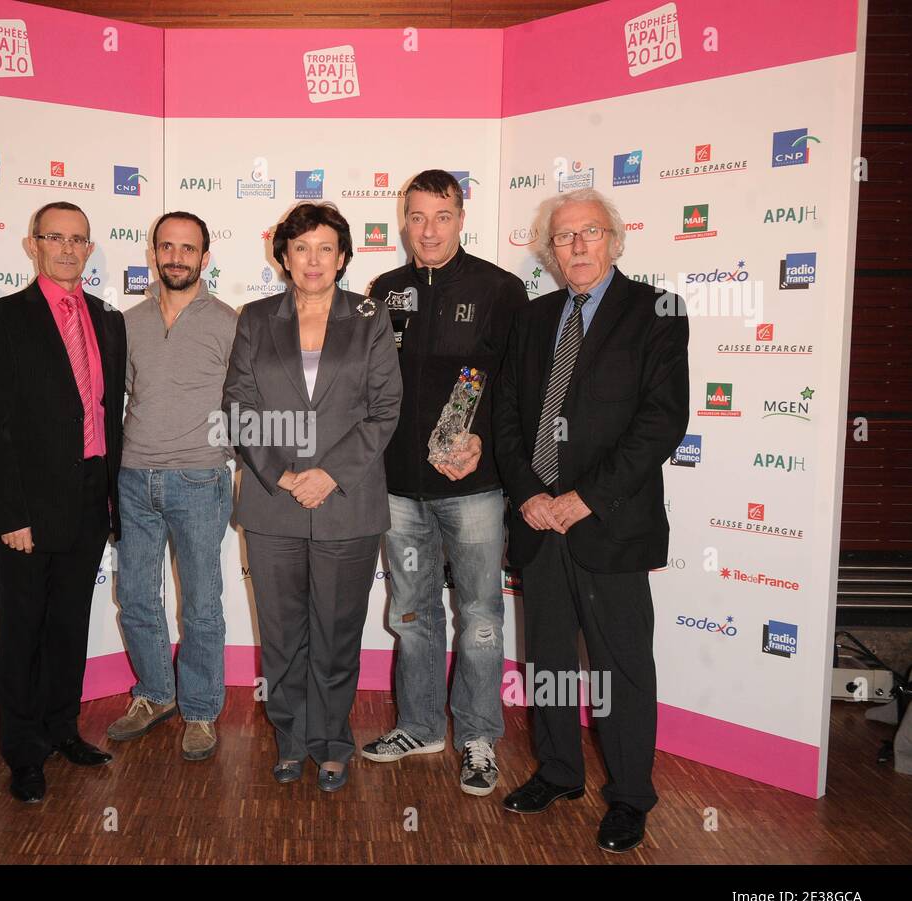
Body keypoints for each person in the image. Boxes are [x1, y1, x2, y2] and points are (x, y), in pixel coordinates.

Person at [492, 188, 689, 852]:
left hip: (611, 523)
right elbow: (507, 417)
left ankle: (631, 796)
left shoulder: (656, 311)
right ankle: (558, 770)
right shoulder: (533, 316)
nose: (576, 246)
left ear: (615, 238)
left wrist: (585, 499)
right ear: (549, 249)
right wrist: (528, 493)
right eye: (564, 236)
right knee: (547, 658)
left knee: (622, 665)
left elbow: (660, 422)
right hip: (538, 522)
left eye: (589, 233)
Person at [222, 201, 402, 792]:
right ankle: (290, 737)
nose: (313, 259)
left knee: (336, 628)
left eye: (326, 247)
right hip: (273, 503)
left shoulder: (371, 317)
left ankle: (330, 740)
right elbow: (238, 408)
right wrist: (282, 474)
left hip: (347, 501)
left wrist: (328, 474)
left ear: (343, 256)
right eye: (301, 248)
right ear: (283, 256)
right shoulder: (254, 318)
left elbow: (383, 411)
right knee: (280, 631)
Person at [362, 169, 528, 796]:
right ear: (404, 221)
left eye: (442, 216)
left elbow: (515, 389)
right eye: (417, 217)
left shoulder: (500, 290)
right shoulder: (386, 289)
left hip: (476, 488)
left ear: (462, 219)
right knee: (411, 614)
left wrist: (483, 439)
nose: (428, 230)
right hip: (399, 488)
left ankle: (479, 736)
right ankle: (421, 724)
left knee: (481, 613)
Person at [0, 201, 126, 803]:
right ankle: (23, 749)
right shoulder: (3, 318)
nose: (66, 248)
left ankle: (63, 728)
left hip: (90, 495)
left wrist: (109, 498)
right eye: (54, 237)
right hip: (29, 507)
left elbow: (108, 414)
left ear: (89, 248)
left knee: (68, 625)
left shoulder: (109, 320)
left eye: (78, 239)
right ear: (32, 244)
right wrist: (9, 514)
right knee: (23, 629)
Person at [106, 212, 237, 760]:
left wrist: (235, 461)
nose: (176, 257)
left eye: (188, 249)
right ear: (153, 254)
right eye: (167, 247)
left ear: (205, 257)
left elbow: (246, 400)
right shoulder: (127, 322)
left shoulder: (230, 321)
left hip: (201, 479)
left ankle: (202, 709)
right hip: (134, 477)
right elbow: (122, 396)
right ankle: (155, 694)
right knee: (135, 596)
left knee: (202, 605)